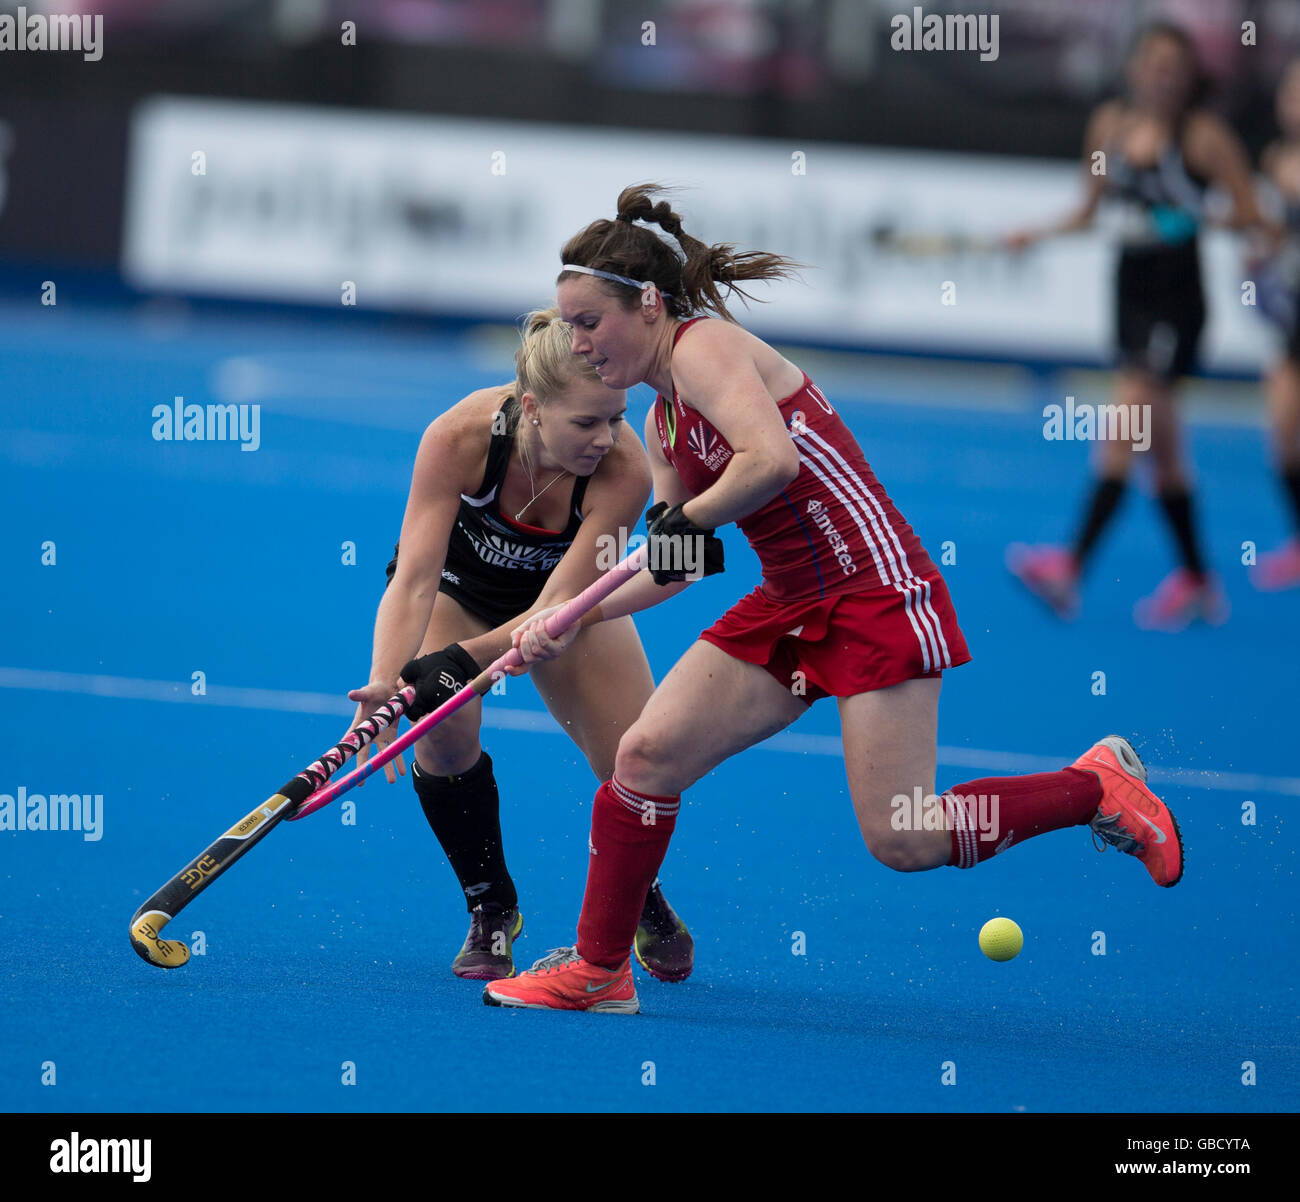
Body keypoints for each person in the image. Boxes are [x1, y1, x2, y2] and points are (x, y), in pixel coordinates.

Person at [479, 184, 1184, 1015]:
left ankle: (1093, 786)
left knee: (905, 836)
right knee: (643, 758)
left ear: (647, 303)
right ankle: (600, 972)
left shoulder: (704, 348)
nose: (579, 344)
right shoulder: (665, 420)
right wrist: (572, 618)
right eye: (567, 326)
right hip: (791, 602)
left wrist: (677, 522)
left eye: (588, 322)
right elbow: (680, 563)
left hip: (875, 589)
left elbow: (767, 460)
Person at [347, 306, 693, 982]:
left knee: (637, 758)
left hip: (567, 605)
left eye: (618, 418)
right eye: (586, 422)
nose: (606, 437)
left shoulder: (623, 470)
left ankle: (638, 895)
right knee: (444, 734)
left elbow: (558, 611)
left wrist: (457, 665)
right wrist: (388, 681)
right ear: (531, 407)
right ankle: (491, 908)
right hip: (456, 593)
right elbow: (415, 578)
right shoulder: (458, 437)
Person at [1004, 22, 1274, 630]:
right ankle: (1201, 582)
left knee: (1124, 424)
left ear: (1187, 79)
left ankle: (1069, 567)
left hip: (1177, 307)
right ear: (1133, 69)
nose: (1161, 75)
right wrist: (1034, 235)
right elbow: (1088, 213)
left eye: (1173, 66)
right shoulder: (1110, 128)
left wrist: (1192, 218)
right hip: (1127, 298)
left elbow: (1250, 216)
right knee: (1165, 452)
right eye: (1152, 62)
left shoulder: (1202, 138)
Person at [1250, 55, 1300, 591]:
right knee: (1283, 436)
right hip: (1292, 324)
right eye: (1291, 93)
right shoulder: (1275, 160)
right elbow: (1272, 235)